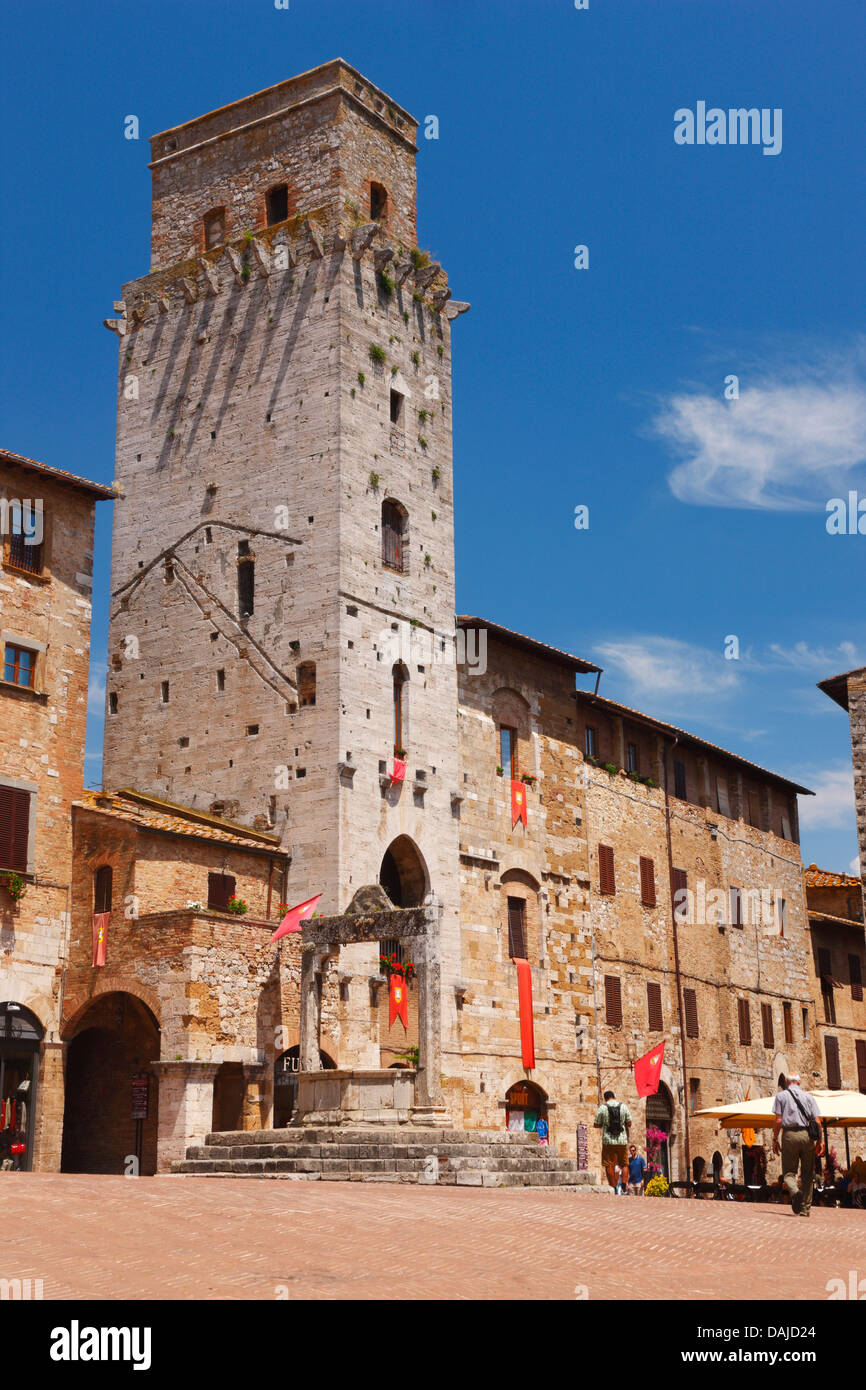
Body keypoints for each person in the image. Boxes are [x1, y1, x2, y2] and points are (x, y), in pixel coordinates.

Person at [771, 1072, 820, 1217]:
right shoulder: (809, 1097)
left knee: (788, 1173)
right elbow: (817, 1122)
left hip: (789, 1135)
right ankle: (805, 1209)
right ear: (799, 1082)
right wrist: (820, 1142)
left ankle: (795, 1191)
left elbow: (778, 1120)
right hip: (807, 1136)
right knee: (807, 1174)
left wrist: (775, 1139)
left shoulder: (781, 1096)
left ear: (786, 1082)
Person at [594, 1089, 631, 1192]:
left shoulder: (602, 1108)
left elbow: (596, 1124)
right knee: (624, 1163)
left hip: (608, 1141)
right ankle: (623, 1183)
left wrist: (605, 1124)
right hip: (622, 1140)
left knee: (608, 1164)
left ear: (605, 1098)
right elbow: (629, 1123)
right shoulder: (623, 1106)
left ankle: (613, 1186)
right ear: (614, 1096)